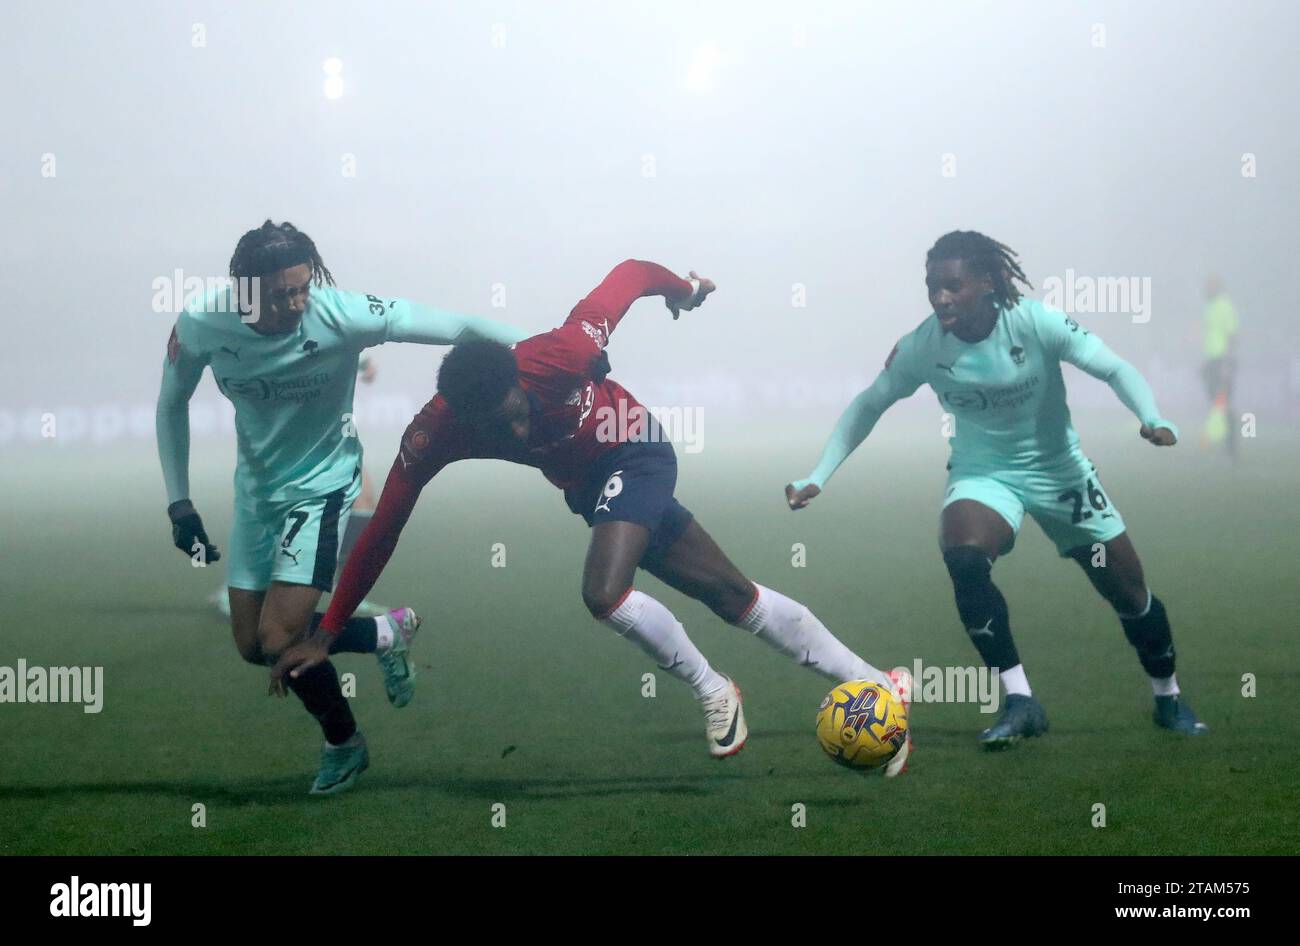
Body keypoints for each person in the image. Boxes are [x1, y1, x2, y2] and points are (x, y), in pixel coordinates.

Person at [270, 258, 911, 774]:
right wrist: (328, 629)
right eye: (499, 428)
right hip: (590, 489)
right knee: (732, 596)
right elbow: (384, 529)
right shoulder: (435, 434)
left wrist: (683, 291)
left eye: (516, 409)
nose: (517, 428)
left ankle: (714, 689)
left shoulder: (561, 352)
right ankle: (879, 684)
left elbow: (629, 274)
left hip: (637, 449)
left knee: (602, 593)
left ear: (519, 377)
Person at [786, 230, 1207, 749]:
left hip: (1062, 475)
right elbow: (870, 404)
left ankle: (1168, 696)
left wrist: (1151, 416)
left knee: (1129, 595)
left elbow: (1113, 367)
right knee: (963, 556)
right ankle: (1020, 699)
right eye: (932, 287)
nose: (940, 297)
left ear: (986, 282)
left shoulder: (1035, 322)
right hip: (983, 474)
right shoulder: (922, 346)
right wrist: (817, 475)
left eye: (953, 286)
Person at [156, 220, 527, 794]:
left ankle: (344, 744)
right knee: (252, 645)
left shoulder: (343, 313)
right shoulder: (202, 322)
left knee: (281, 638)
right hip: (255, 495)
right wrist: (179, 503)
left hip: (323, 485)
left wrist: (549, 352)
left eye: (304, 287)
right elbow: (171, 404)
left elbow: (457, 326)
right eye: (282, 294)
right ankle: (383, 633)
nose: (297, 302)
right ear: (244, 290)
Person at [1199, 276, 1240, 457]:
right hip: (1211, 361)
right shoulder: (1209, 307)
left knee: (1223, 401)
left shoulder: (1225, 306)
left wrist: (1227, 362)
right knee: (1215, 400)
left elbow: (1232, 335)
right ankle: (1221, 436)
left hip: (1222, 360)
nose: (1207, 290)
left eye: (1210, 286)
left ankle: (1231, 445)